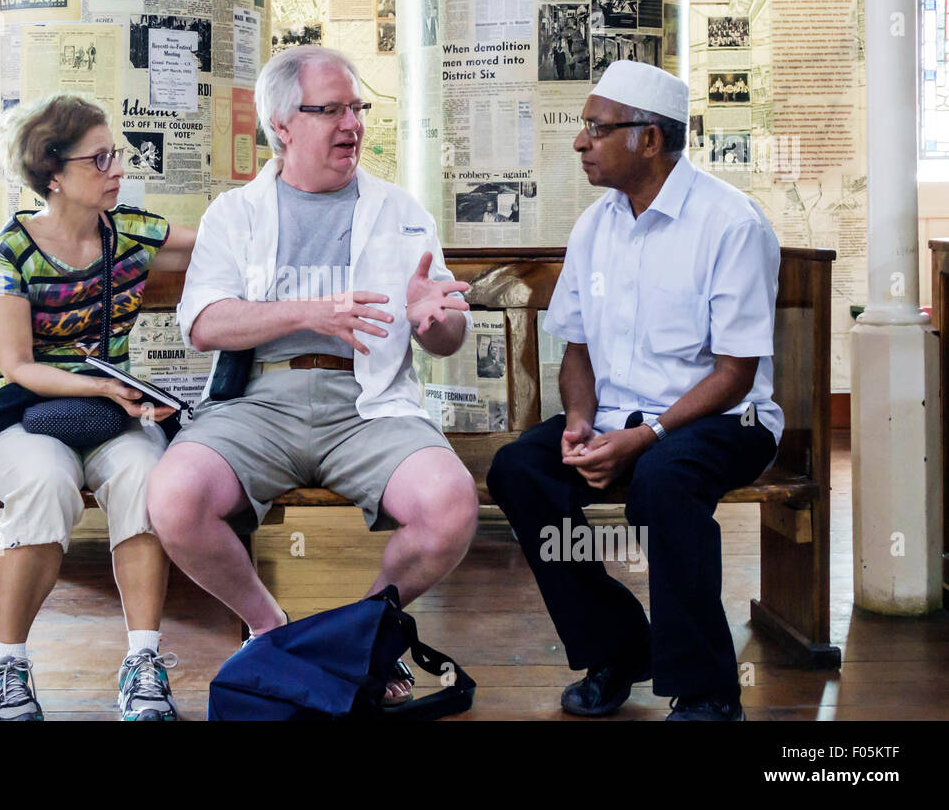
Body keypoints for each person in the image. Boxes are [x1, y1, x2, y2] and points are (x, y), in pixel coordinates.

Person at [146, 45, 479, 705]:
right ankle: (271, 632)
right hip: (260, 402)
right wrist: (310, 312)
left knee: (451, 506)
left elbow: (447, 335)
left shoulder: (401, 210)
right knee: (174, 498)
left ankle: (358, 642)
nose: (351, 124)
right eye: (330, 110)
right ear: (282, 125)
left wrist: (433, 320)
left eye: (357, 108)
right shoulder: (234, 214)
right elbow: (205, 322)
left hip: (370, 403)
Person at [485, 60, 782, 722]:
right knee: (520, 470)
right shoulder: (597, 226)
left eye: (596, 127)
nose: (580, 140)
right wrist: (580, 421)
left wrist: (645, 438)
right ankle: (617, 649)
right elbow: (578, 350)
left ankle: (707, 690)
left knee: (664, 483)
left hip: (725, 417)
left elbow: (735, 372)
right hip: (619, 415)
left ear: (648, 138)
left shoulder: (731, 223)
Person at [0, 94, 196, 720]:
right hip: (18, 415)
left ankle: (143, 663)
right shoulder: (9, 251)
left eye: (115, 153)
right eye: (101, 158)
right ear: (54, 172)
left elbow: (213, 243)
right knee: (44, 480)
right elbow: (18, 367)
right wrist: (101, 388)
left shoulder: (133, 233)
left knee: (148, 477)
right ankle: (6, 667)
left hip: (106, 412)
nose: (117, 167)